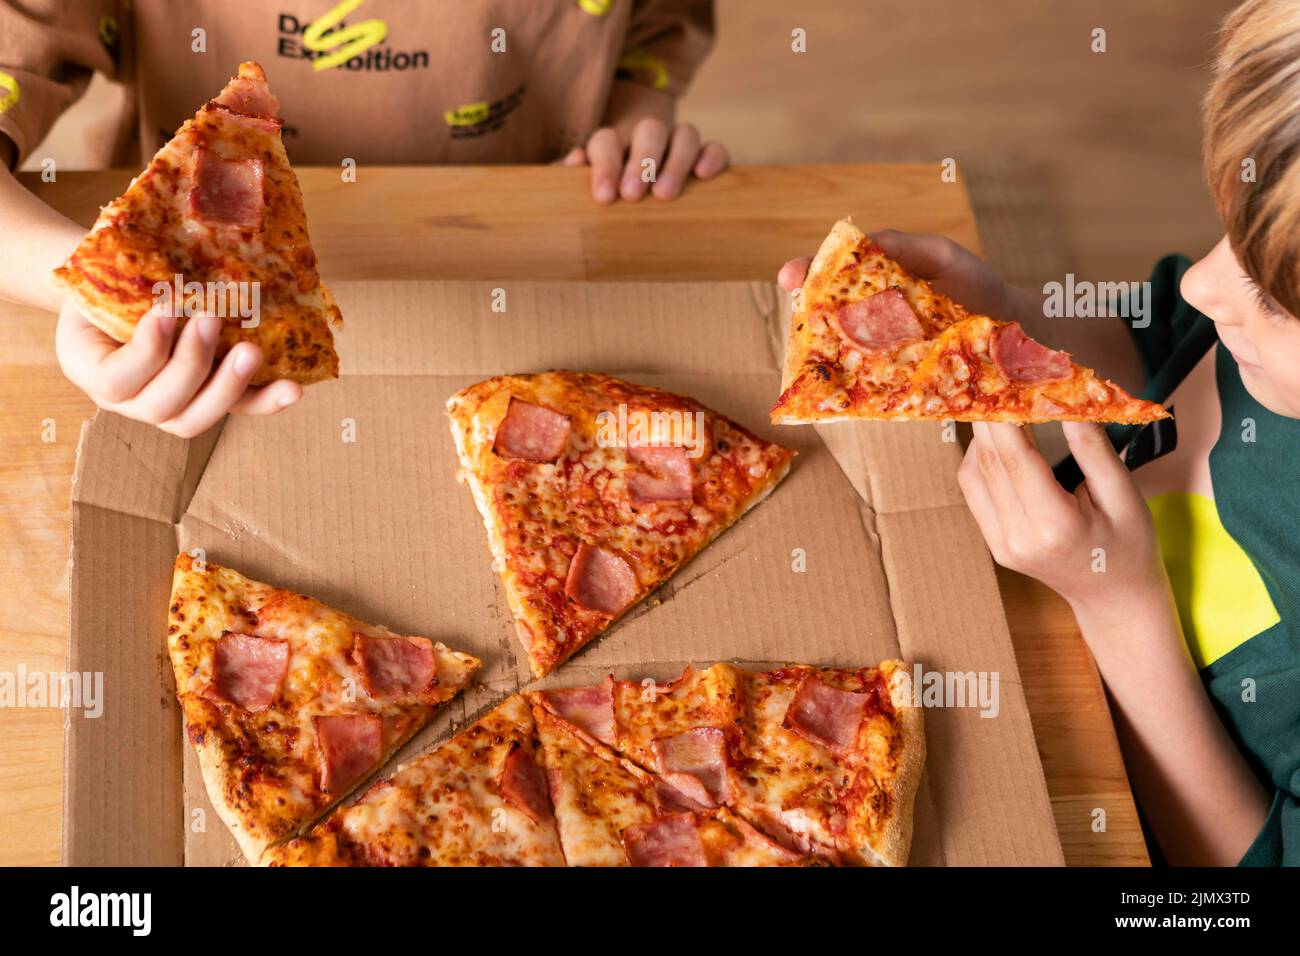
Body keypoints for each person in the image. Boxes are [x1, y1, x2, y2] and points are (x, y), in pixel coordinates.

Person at [780, 0, 1300, 866]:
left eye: (1275, 298)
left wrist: (1115, 603)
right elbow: (1164, 343)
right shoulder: (1248, 310)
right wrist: (1015, 326)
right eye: (1226, 236)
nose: (1208, 285)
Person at [0, 0, 726, 434]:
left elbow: (661, 16)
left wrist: (639, 100)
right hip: (196, 281)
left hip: (538, 239)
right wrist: (90, 286)